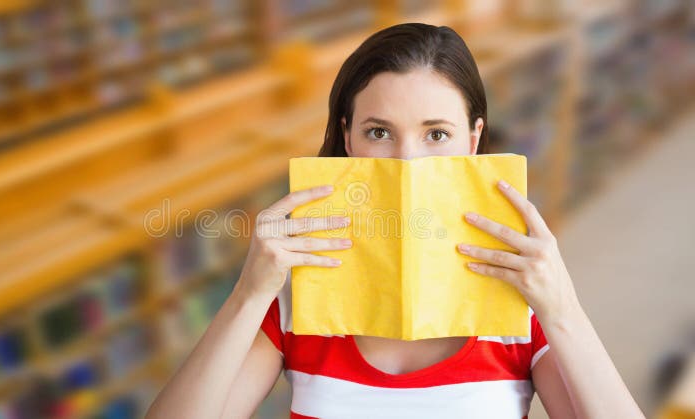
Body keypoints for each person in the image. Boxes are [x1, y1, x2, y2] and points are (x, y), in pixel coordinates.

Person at [145, 23, 645, 419]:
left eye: (436, 134)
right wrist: (248, 295)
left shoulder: (520, 305)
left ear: (473, 142)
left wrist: (563, 310)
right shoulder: (299, 298)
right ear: (348, 138)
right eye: (379, 132)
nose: (407, 163)